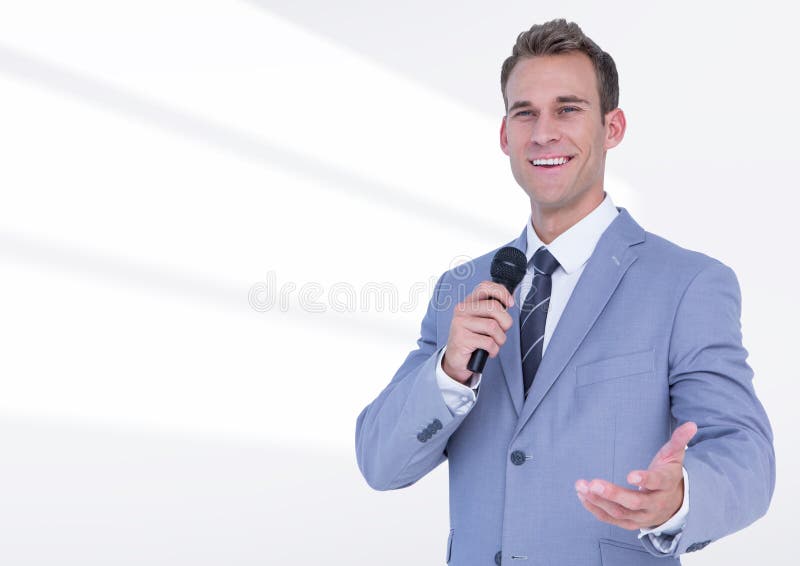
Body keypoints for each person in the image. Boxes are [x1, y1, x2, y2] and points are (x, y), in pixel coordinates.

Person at [355, 19, 774, 565]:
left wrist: (680, 498)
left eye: (568, 109)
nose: (543, 132)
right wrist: (449, 372)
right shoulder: (463, 289)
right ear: (505, 135)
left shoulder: (687, 284)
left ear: (613, 127)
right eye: (524, 112)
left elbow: (747, 456)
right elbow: (380, 463)